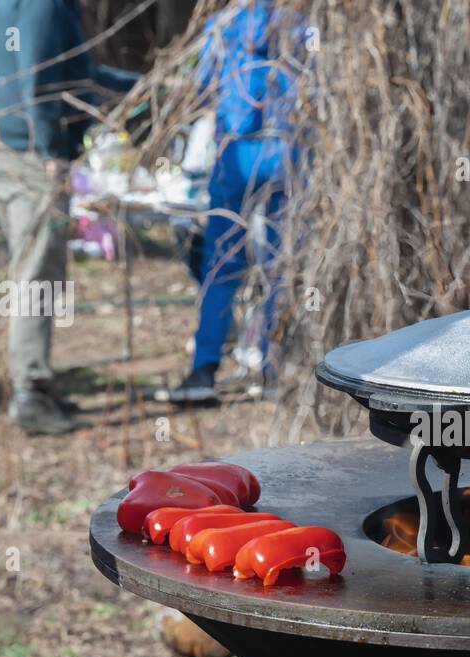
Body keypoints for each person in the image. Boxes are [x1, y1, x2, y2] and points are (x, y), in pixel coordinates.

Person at [0, 0, 139, 434]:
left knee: (39, 269)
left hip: (13, 152)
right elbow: (37, 80)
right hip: (27, 157)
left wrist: (146, 84)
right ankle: (29, 392)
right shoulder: (42, 5)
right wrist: (52, 151)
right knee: (36, 270)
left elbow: (80, 76)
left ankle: (37, 385)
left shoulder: (31, 8)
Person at [159, 0, 302, 404]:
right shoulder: (298, 23)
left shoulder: (222, 26)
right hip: (285, 150)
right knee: (280, 263)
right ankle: (275, 369)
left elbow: (202, 88)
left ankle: (204, 370)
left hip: (235, 151)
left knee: (221, 262)